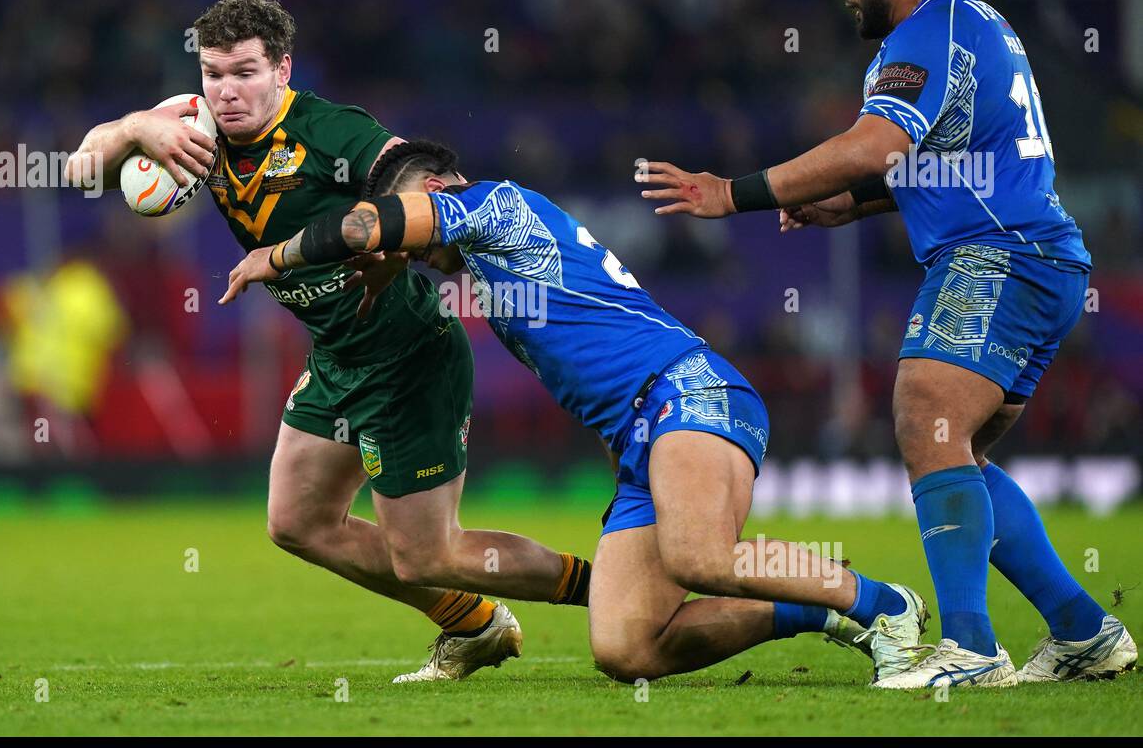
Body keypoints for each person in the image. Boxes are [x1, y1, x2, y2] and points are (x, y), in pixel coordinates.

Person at [635, 0, 1136, 688]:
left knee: (924, 417)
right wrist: (859, 203)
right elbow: (948, 156)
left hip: (994, 254)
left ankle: (970, 649)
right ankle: (1082, 632)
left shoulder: (925, 31)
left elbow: (873, 143)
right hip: (1042, 256)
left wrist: (734, 193)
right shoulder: (973, 21)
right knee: (956, 450)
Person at [219, 138, 931, 684]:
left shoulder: (494, 203)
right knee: (627, 648)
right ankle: (818, 611)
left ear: (434, 190)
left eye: (410, 232)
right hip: (641, 438)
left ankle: (880, 604)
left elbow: (368, 227)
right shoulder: (490, 265)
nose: (412, 256)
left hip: (689, 391)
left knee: (700, 556)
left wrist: (276, 256)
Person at [67, 0, 593, 684]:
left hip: (408, 357)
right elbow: (80, 170)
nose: (227, 91)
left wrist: (395, 242)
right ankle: (474, 625)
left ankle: (613, 585)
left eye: (246, 72)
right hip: (339, 357)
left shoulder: (330, 133)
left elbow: (434, 186)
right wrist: (138, 127)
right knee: (296, 521)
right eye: (214, 73)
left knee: (429, 554)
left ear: (283, 69)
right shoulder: (190, 127)